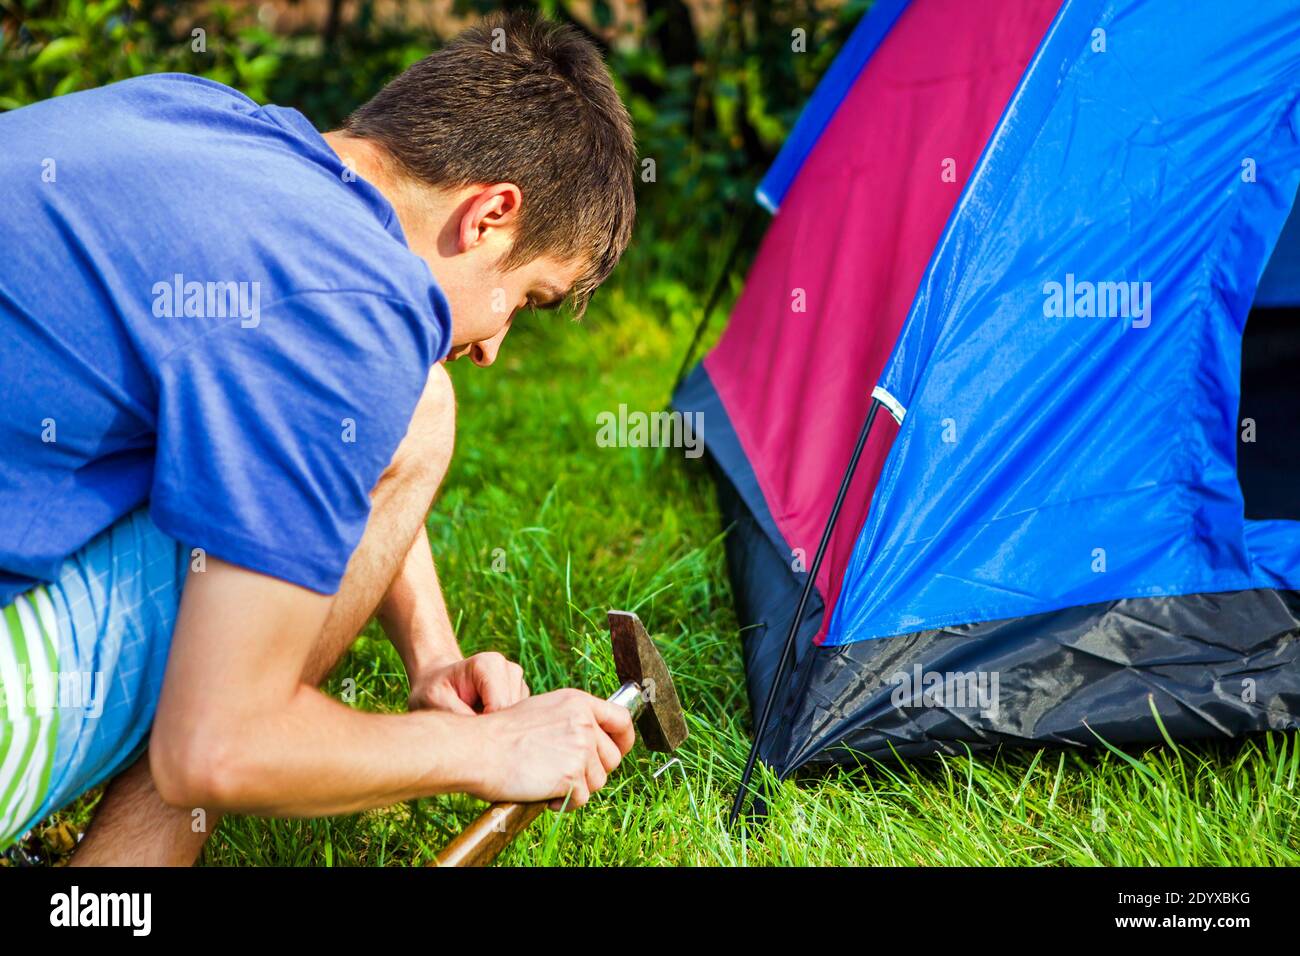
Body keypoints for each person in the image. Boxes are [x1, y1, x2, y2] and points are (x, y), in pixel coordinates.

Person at [0, 12, 637, 865]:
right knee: (421, 414)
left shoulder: (199, 115)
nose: (492, 346)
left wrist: (434, 657)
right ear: (489, 215)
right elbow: (217, 748)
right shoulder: (353, 306)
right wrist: (497, 749)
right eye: (527, 299)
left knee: (416, 405)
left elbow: (335, 427)